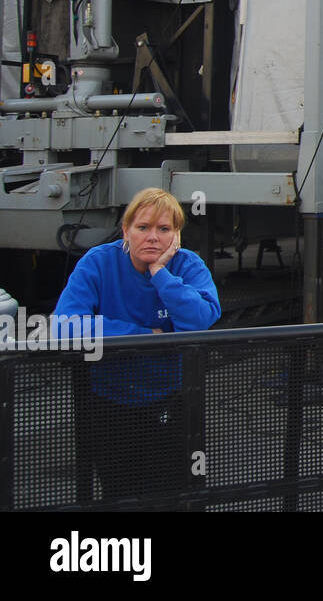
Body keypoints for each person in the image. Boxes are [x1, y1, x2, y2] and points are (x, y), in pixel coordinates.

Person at [54, 188, 221, 500]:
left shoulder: (187, 265)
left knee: (172, 493)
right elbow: (64, 325)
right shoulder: (98, 262)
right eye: (143, 228)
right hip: (110, 405)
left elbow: (201, 319)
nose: (153, 238)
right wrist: (143, 336)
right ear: (126, 231)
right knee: (120, 495)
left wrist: (160, 274)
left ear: (177, 235)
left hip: (171, 401)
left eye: (164, 229)